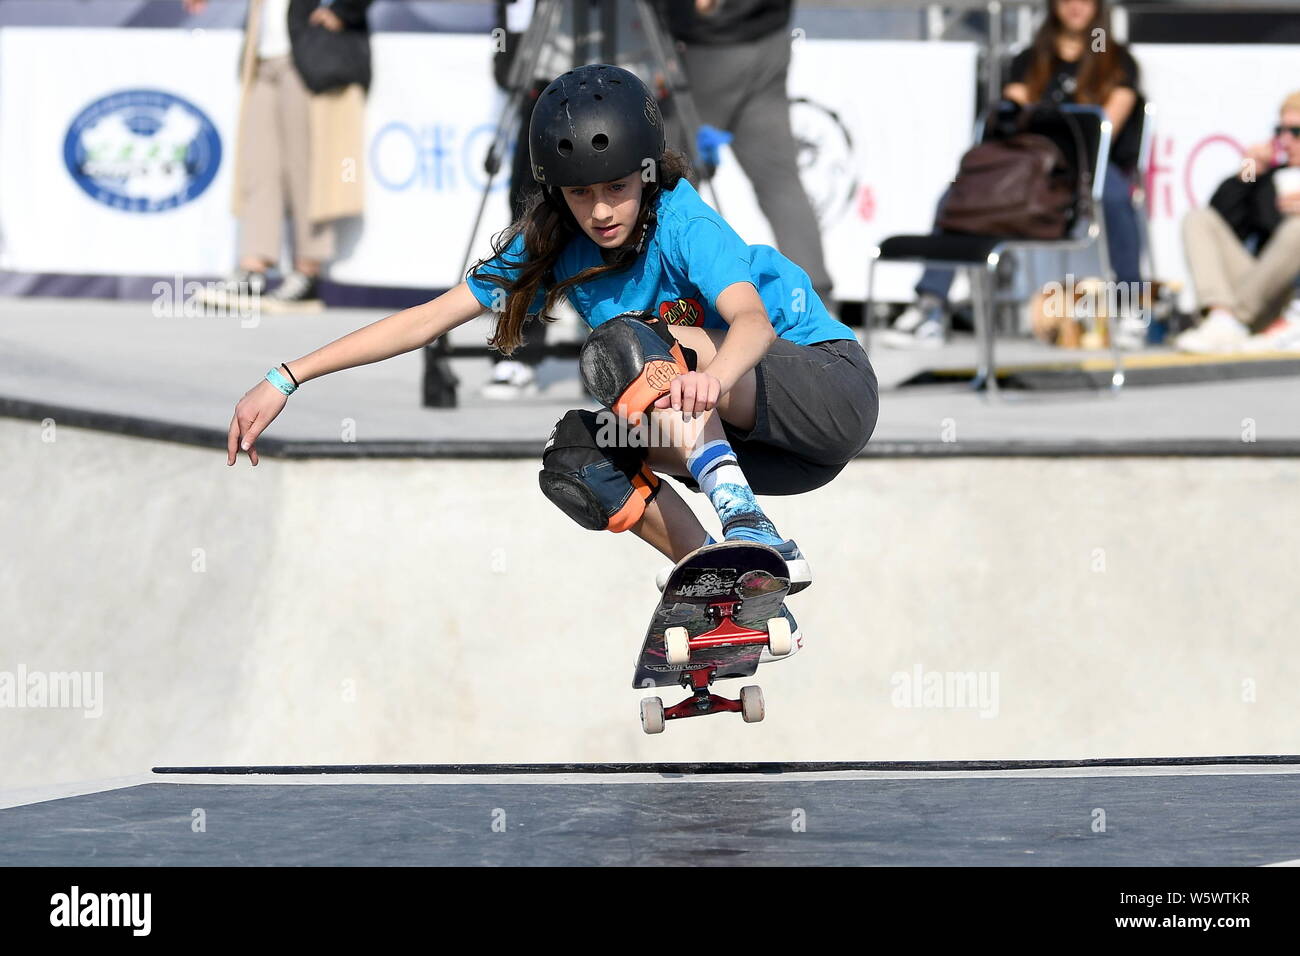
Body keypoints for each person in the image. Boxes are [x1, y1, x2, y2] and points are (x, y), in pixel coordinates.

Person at [227, 65, 878, 656]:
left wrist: (709, 378)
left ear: (646, 176)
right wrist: (286, 376)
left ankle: (746, 521)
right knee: (580, 458)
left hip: (823, 393)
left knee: (633, 345)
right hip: (750, 444)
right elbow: (426, 319)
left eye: (618, 189)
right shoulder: (553, 242)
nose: (600, 212)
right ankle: (725, 588)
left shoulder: (683, 220)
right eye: (580, 194)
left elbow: (752, 323)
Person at [880, 0, 1144, 348]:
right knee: (960, 196)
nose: (1076, 7)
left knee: (1114, 195)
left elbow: (1105, 125)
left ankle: (1130, 309)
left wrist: (1047, 118)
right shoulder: (1030, 59)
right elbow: (1012, 115)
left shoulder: (1115, 59)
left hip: (1084, 164)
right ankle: (931, 305)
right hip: (1030, 162)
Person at [186, 0, 372, 312]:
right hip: (260, 56)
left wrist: (343, 11)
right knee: (258, 166)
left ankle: (307, 272)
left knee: (306, 168)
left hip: (308, 55)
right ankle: (253, 268)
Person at [662, 0, 835, 312]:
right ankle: (818, 302)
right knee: (780, 182)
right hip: (767, 36)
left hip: (714, 42)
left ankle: (658, 299)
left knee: (670, 177)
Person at [1175, 91, 1300, 354]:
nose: (1286, 140)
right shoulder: (1273, 179)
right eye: (1281, 131)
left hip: (1291, 304)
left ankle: (1229, 322)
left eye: (1296, 131)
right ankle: (1222, 318)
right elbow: (1224, 218)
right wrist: (1249, 171)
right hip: (1262, 292)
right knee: (1198, 219)